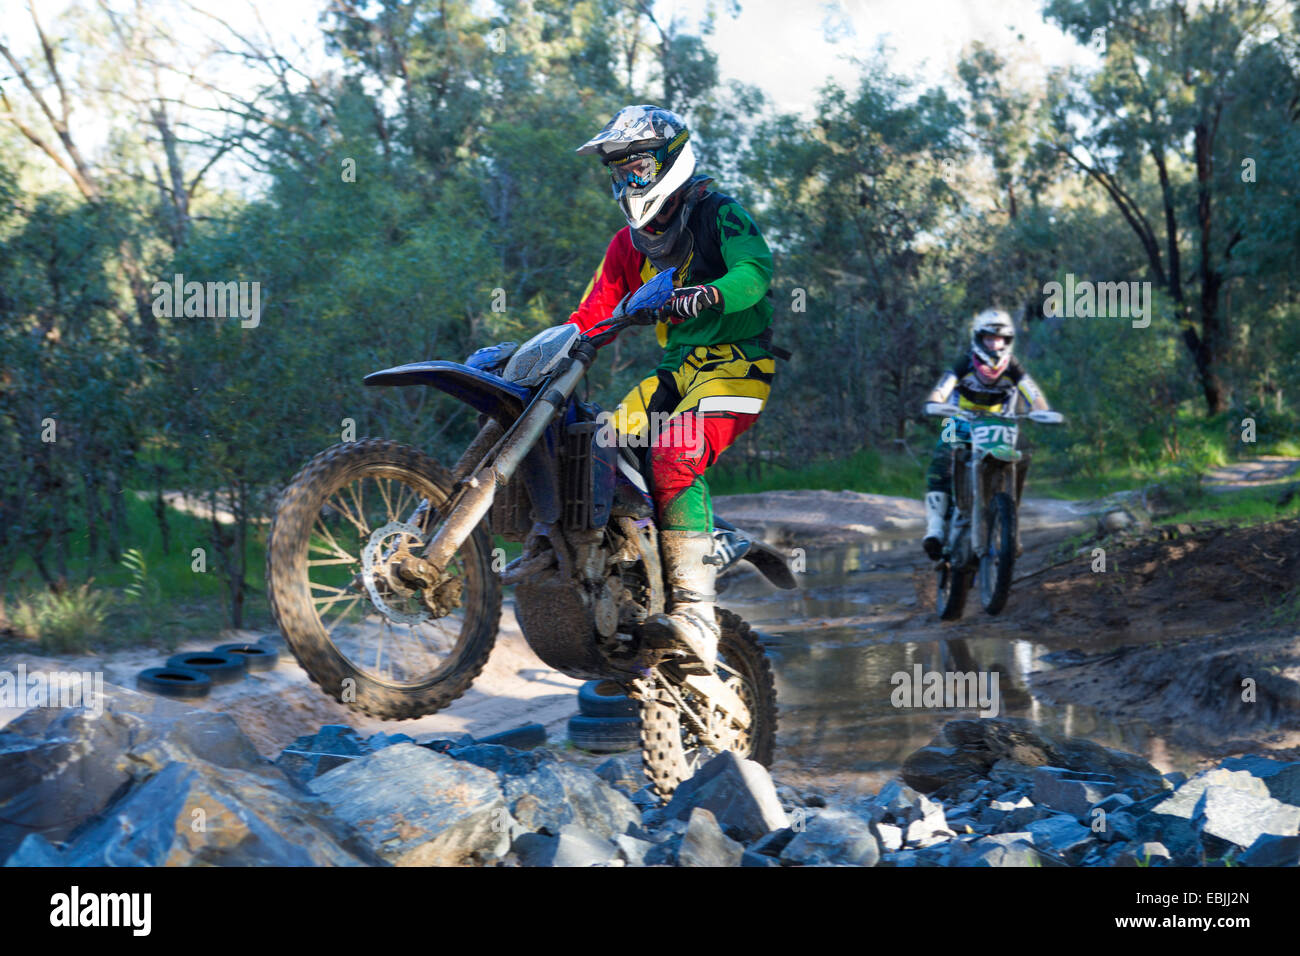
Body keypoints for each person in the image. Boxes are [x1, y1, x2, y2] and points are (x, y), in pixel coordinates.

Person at [567, 104, 776, 673]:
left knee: (676, 450)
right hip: (678, 368)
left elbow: (755, 271)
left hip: (739, 366)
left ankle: (695, 607)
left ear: (669, 161)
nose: (627, 182)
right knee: (598, 445)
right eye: (619, 172)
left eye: (636, 168)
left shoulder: (719, 214)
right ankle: (629, 582)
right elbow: (591, 312)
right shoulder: (626, 245)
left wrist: (710, 294)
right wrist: (549, 348)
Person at [921, 309, 1051, 560]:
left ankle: (1008, 522)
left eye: (1000, 339)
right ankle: (935, 529)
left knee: (1021, 456)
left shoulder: (1013, 367)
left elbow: (1034, 396)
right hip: (958, 420)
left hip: (998, 423)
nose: (995, 343)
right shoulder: (964, 362)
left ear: (1008, 341)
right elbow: (941, 390)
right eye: (989, 338)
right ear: (979, 339)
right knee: (942, 461)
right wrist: (936, 402)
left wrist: (1042, 412)